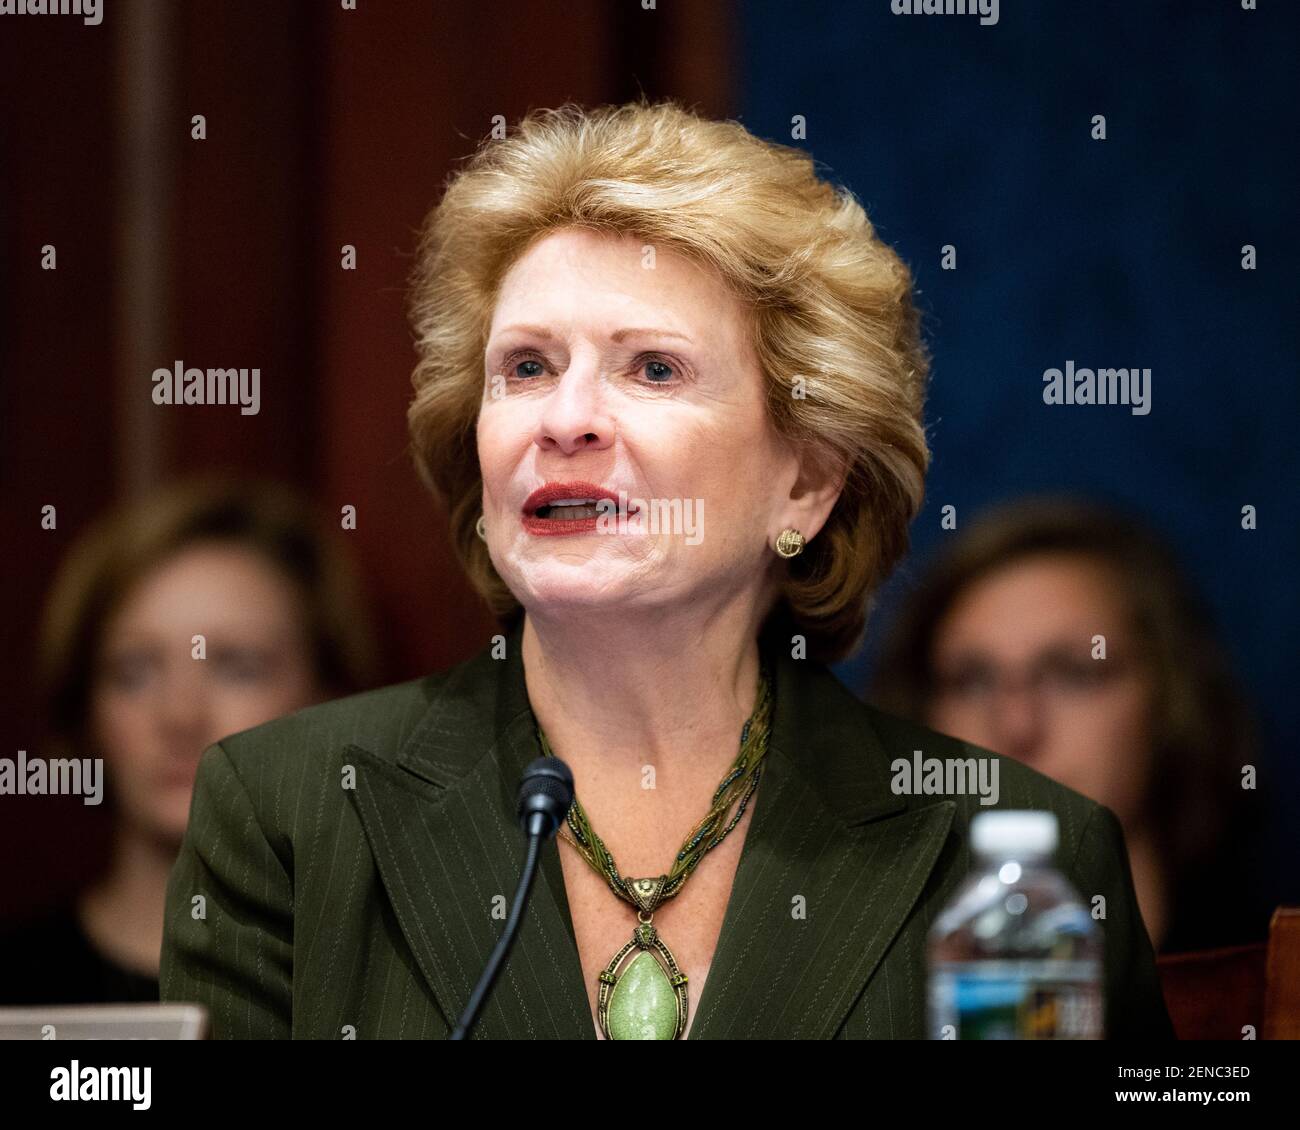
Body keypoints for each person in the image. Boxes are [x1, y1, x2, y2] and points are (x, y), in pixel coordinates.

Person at [160, 99, 1173, 1039]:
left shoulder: (1011, 856)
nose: (565, 419)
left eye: (652, 368)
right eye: (527, 367)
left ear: (806, 480)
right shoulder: (287, 814)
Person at [0, 478, 377, 1005]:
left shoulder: (391, 992)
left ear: (327, 700)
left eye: (238, 666)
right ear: (85, 705)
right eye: (134, 671)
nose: (180, 715)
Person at [869, 496, 1263, 955]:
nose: (1017, 726)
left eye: (1075, 674)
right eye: (973, 681)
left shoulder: (1277, 987)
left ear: (1173, 700)